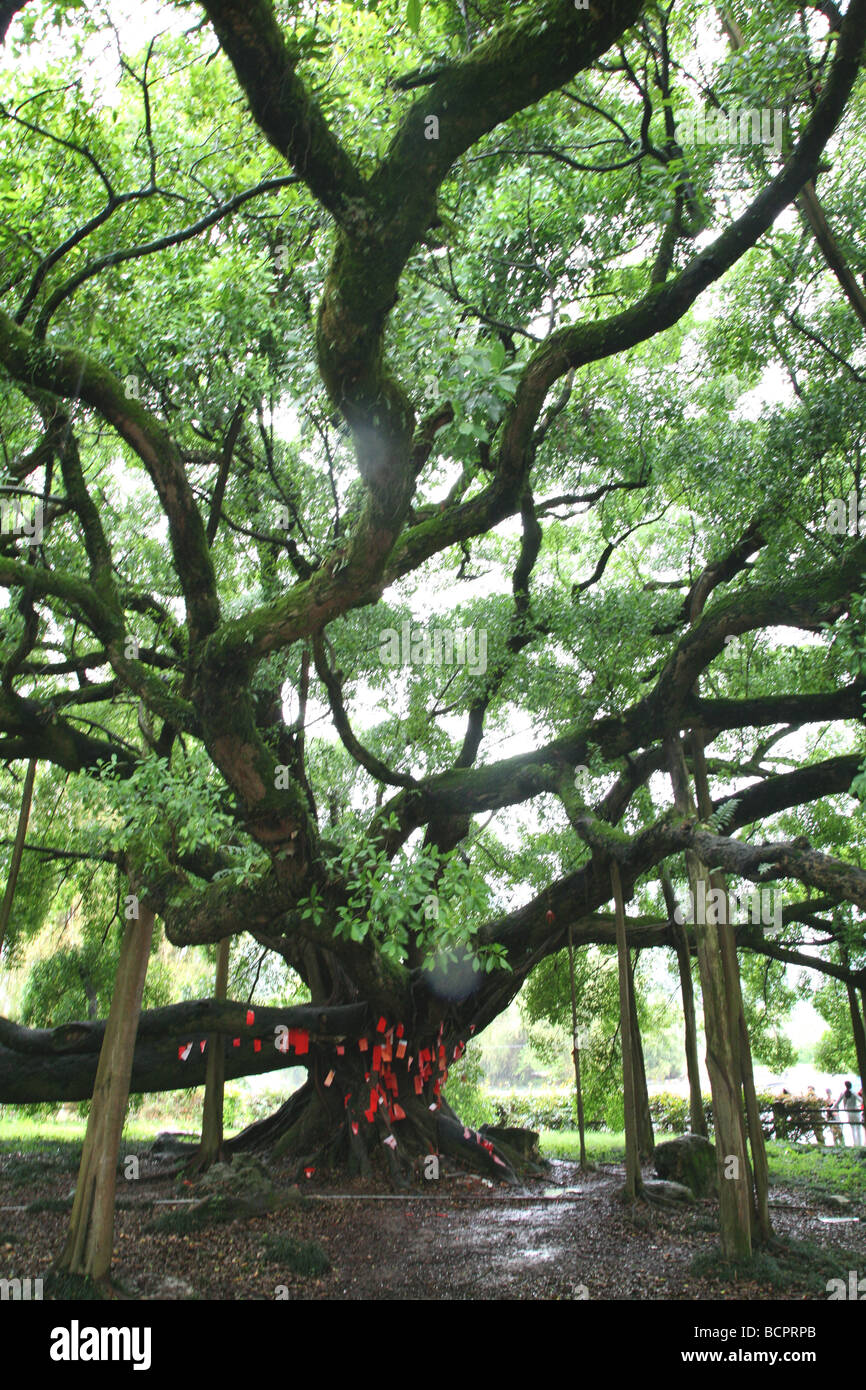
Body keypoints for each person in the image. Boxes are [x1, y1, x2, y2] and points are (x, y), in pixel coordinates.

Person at [836, 1081, 864, 1146]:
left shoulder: (843, 1093)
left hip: (849, 1112)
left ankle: (855, 1143)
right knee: (858, 1128)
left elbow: (837, 1103)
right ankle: (859, 1144)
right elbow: (861, 1100)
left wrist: (832, 1108)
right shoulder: (853, 1092)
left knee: (853, 1128)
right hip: (856, 1111)